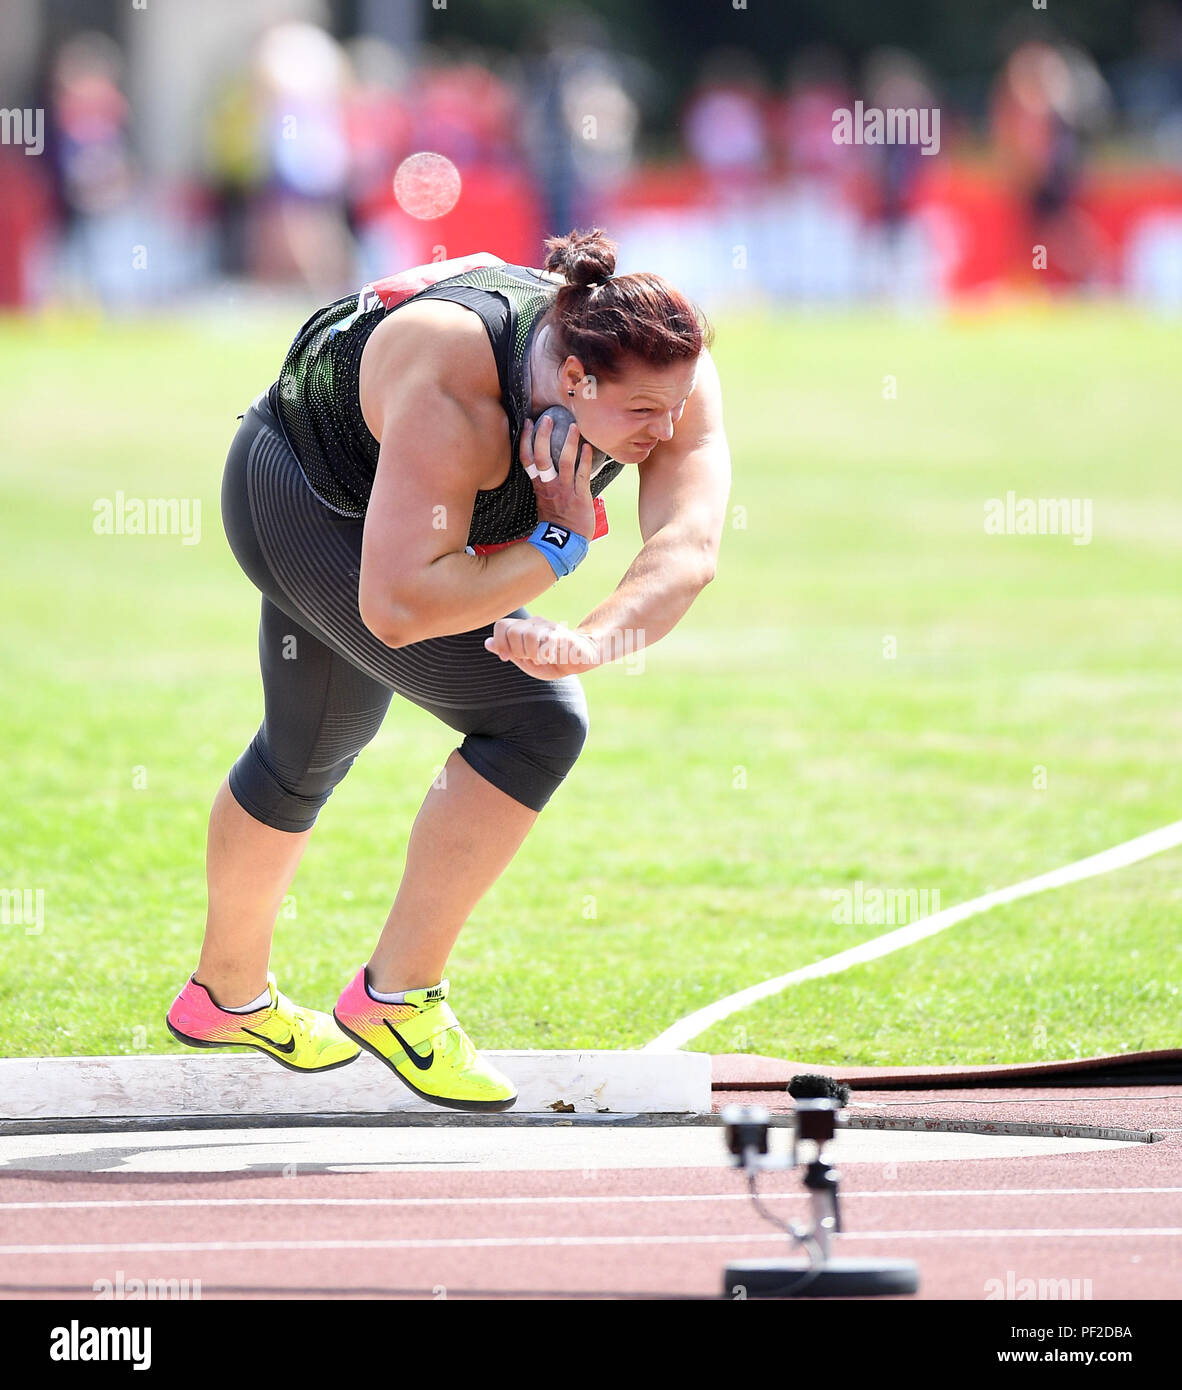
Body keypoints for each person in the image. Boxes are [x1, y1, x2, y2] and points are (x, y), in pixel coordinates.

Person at [166, 228, 731, 1111]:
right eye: (642, 418)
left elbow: (690, 547)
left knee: (313, 742)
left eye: (676, 408)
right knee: (538, 722)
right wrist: (558, 543)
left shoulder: (660, 368)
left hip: (403, 511)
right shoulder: (460, 398)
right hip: (300, 492)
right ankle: (397, 997)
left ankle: (222, 997)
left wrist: (590, 641)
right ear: (575, 382)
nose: (667, 434)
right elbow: (397, 607)